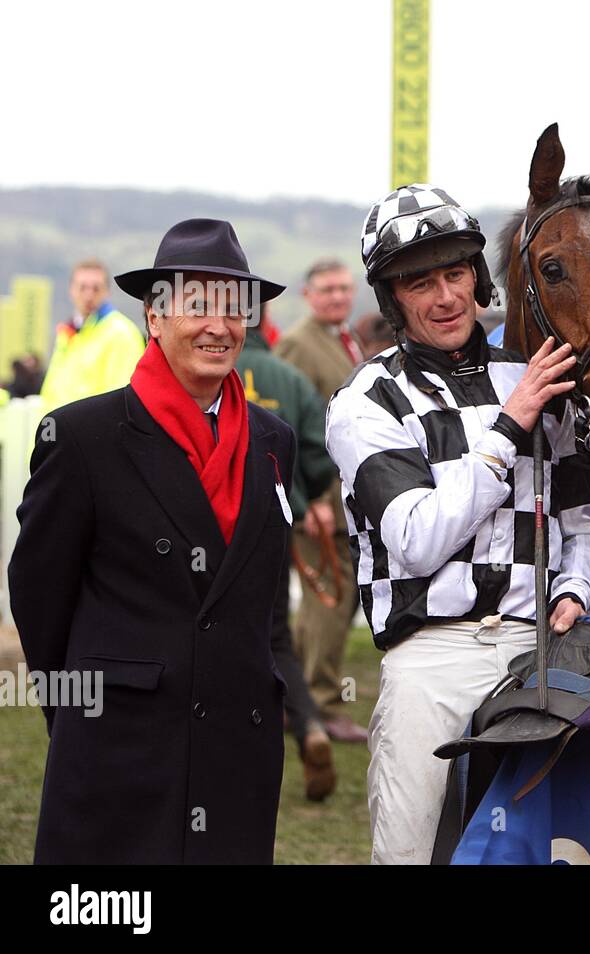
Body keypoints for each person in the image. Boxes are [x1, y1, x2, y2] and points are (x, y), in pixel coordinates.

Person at [325, 184, 590, 864]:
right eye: (419, 283)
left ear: (479, 275)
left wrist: (577, 589)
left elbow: (587, 525)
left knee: (541, 853)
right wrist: (510, 423)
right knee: (414, 854)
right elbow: (417, 539)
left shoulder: (538, 376)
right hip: (431, 657)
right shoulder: (367, 399)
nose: (446, 296)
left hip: (538, 650)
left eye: (456, 273)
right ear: (392, 299)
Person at [10, 219, 295, 863]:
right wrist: (89, 711)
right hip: (119, 758)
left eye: (233, 307)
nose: (218, 325)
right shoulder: (82, 439)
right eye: (197, 305)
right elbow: (38, 596)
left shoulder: (273, 440)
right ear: (155, 316)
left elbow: (260, 604)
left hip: (235, 754)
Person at [236, 302, 339, 800]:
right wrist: (303, 498)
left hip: (203, 536)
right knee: (276, 639)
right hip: (274, 527)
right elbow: (319, 458)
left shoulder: (202, 370)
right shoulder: (292, 378)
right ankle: (311, 729)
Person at [275, 259, 368, 744]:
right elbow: (285, 428)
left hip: (343, 499)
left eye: (343, 288)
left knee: (333, 599)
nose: (336, 297)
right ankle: (320, 705)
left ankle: (307, 701)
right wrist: (307, 500)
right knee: (327, 601)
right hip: (318, 501)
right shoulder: (297, 344)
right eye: (326, 289)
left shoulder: (343, 339)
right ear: (308, 295)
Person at [40, 258, 145, 413]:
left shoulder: (122, 334)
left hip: (88, 433)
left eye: (96, 288)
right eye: (82, 287)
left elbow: (121, 402)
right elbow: (53, 391)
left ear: (107, 291)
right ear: (71, 290)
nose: (89, 295)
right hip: (55, 430)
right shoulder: (68, 332)